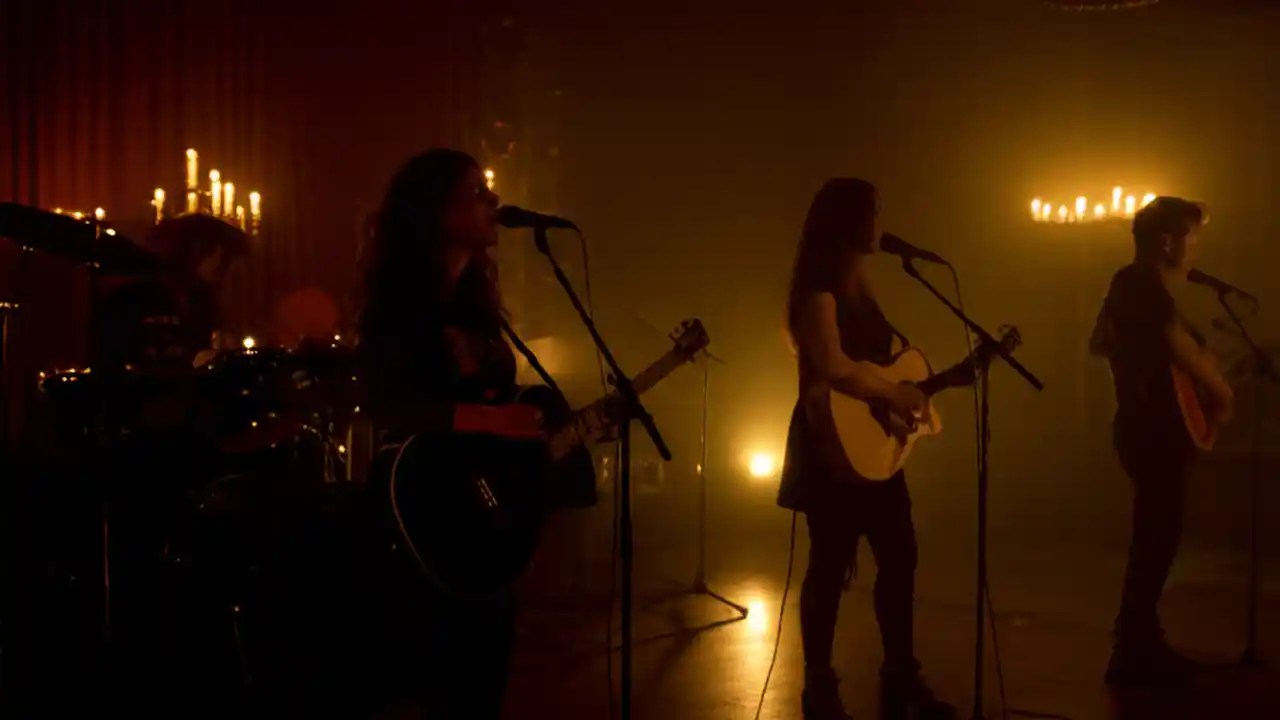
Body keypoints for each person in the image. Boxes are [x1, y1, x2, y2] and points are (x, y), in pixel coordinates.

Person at [351, 148, 548, 718]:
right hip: (423, 515)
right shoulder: (399, 307)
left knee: (485, 681)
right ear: (434, 211)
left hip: (478, 518)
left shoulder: (477, 305)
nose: (493, 202)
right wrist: (495, 420)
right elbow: (389, 404)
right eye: (475, 191)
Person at [779, 178, 955, 720]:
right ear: (851, 222)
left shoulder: (862, 287)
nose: (881, 223)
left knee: (900, 557)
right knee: (830, 564)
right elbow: (831, 365)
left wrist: (914, 388)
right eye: (875, 212)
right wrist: (892, 390)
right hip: (830, 446)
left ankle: (901, 672)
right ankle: (819, 684)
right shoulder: (818, 289)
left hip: (873, 452)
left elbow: (883, 363)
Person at [1089, 197, 1233, 686]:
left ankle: (1139, 640)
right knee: (1155, 537)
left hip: (1145, 425)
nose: (1198, 247)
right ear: (1168, 240)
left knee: (1157, 536)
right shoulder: (1139, 285)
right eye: (1193, 236)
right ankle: (1133, 647)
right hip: (1153, 429)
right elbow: (1175, 348)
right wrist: (1222, 394)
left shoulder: (1131, 287)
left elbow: (1106, 342)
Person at [94, 213, 247, 370]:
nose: (225, 265)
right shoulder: (130, 301)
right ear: (195, 251)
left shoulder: (205, 303)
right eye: (221, 253)